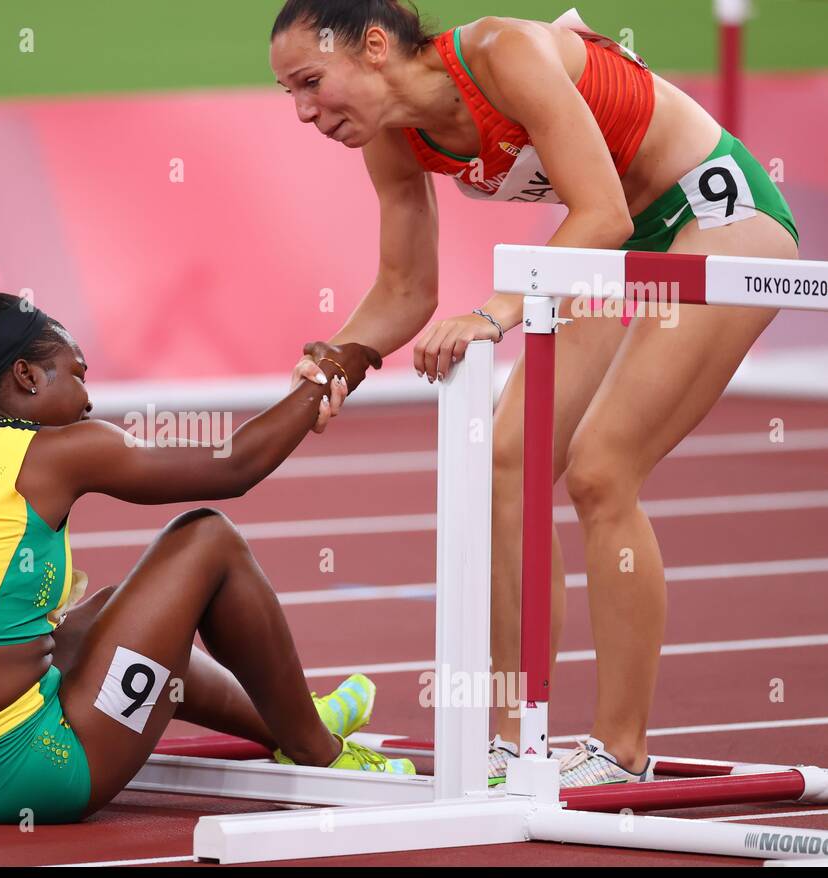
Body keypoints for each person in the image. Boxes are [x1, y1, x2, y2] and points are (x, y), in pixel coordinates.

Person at [272, 1, 799, 786]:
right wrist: (341, 360)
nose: (305, 112)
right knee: (506, 466)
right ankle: (520, 744)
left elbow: (602, 210)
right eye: (289, 95)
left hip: (716, 215)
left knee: (601, 469)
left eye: (311, 83)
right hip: (611, 252)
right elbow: (405, 289)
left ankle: (621, 752)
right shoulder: (393, 139)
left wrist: (493, 316)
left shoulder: (500, 51)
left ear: (375, 47)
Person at [0, 293, 409, 825]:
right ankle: (320, 750)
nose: (90, 399)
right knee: (207, 538)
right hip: (32, 776)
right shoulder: (58, 451)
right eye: (77, 374)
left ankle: (287, 719)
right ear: (27, 377)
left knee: (113, 612)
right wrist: (322, 380)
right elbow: (233, 466)